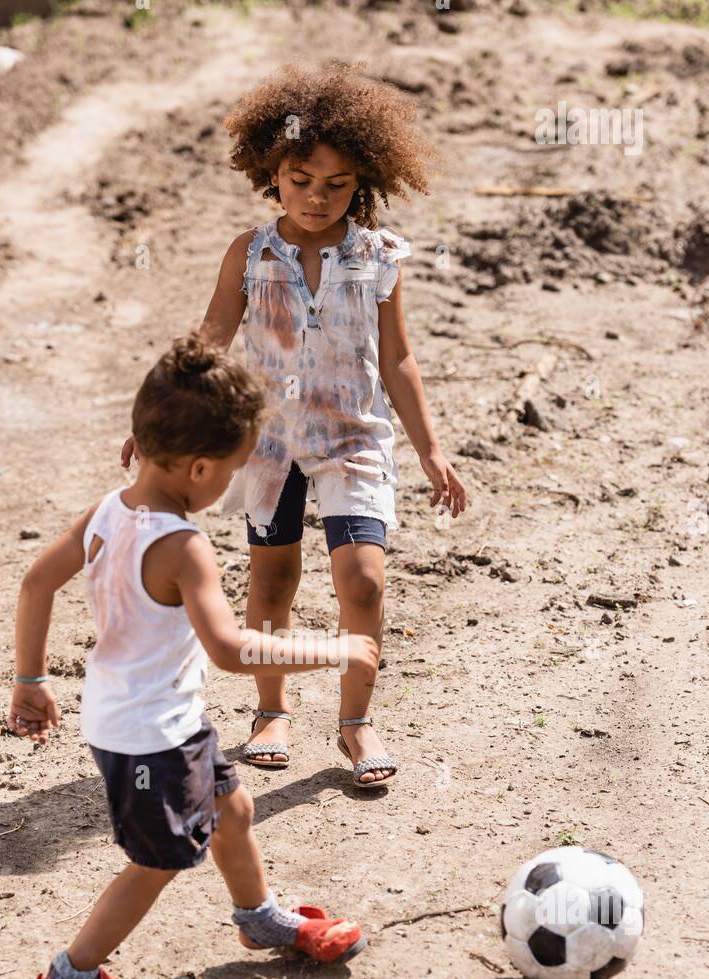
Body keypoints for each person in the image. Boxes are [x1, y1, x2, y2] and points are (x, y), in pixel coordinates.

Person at [9, 334, 378, 979]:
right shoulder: (182, 546)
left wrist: (29, 678)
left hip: (148, 720)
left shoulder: (108, 509)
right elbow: (231, 649)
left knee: (232, 811)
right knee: (157, 861)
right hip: (151, 739)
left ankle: (258, 917)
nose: (232, 486)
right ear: (200, 468)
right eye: (233, 472)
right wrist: (331, 650)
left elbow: (36, 581)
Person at [122, 60, 469, 787]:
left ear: (363, 180)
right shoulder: (249, 254)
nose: (316, 197)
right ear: (270, 175)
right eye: (300, 180)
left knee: (363, 582)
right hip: (269, 442)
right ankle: (269, 710)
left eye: (336, 183)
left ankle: (355, 724)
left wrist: (431, 449)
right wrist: (158, 417)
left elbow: (397, 358)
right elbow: (210, 339)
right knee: (272, 577)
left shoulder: (377, 258)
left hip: (352, 439)